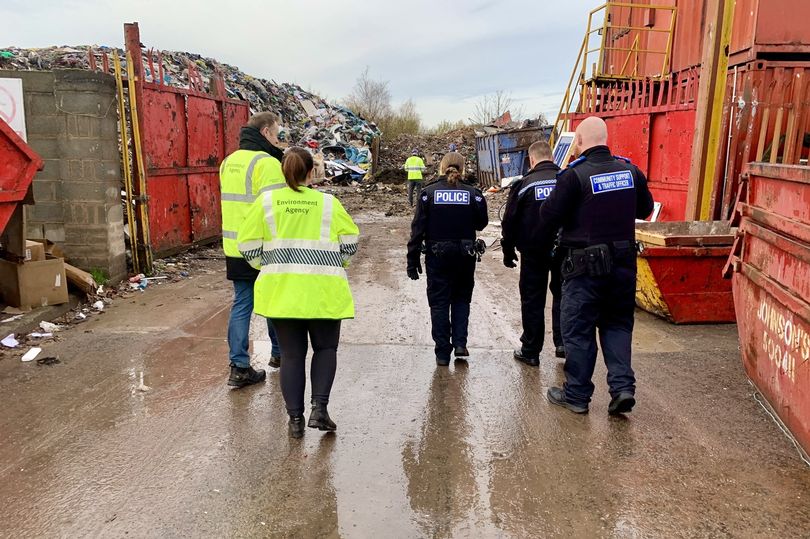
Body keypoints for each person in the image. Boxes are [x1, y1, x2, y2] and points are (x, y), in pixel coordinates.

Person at [237, 147, 359, 438]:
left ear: (284, 170)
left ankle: (294, 421)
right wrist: (336, 262)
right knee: (325, 349)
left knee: (291, 356)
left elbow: (247, 243)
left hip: (282, 293)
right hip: (323, 291)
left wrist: (266, 264)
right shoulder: (328, 203)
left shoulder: (267, 203)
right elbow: (350, 241)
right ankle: (319, 409)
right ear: (310, 172)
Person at [536, 116, 654, 415]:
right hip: (623, 266)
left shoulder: (574, 176)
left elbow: (548, 217)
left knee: (579, 329)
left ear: (579, 142)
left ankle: (576, 395)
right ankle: (622, 388)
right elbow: (646, 209)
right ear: (605, 138)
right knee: (617, 325)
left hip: (584, 269)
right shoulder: (630, 171)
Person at [220, 112, 285, 388]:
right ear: (266, 131)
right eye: (277, 134)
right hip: (262, 247)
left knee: (242, 303)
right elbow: (277, 209)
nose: (279, 139)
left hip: (234, 246)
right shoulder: (267, 163)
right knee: (272, 301)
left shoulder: (228, 162)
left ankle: (239, 366)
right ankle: (279, 354)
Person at [407, 152, 488, 366]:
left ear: (442, 168)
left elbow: (417, 230)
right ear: (462, 169)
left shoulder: (428, 193)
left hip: (437, 256)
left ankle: (442, 353)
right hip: (465, 256)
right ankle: (460, 343)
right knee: (461, 299)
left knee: (439, 303)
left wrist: (412, 259)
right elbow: (481, 223)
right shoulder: (474, 194)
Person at [501, 140, 565, 366]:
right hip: (564, 250)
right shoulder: (566, 180)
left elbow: (509, 221)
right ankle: (563, 343)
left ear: (532, 160)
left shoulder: (524, 185)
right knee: (564, 295)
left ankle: (531, 350)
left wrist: (508, 250)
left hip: (533, 251)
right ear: (552, 157)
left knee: (532, 300)